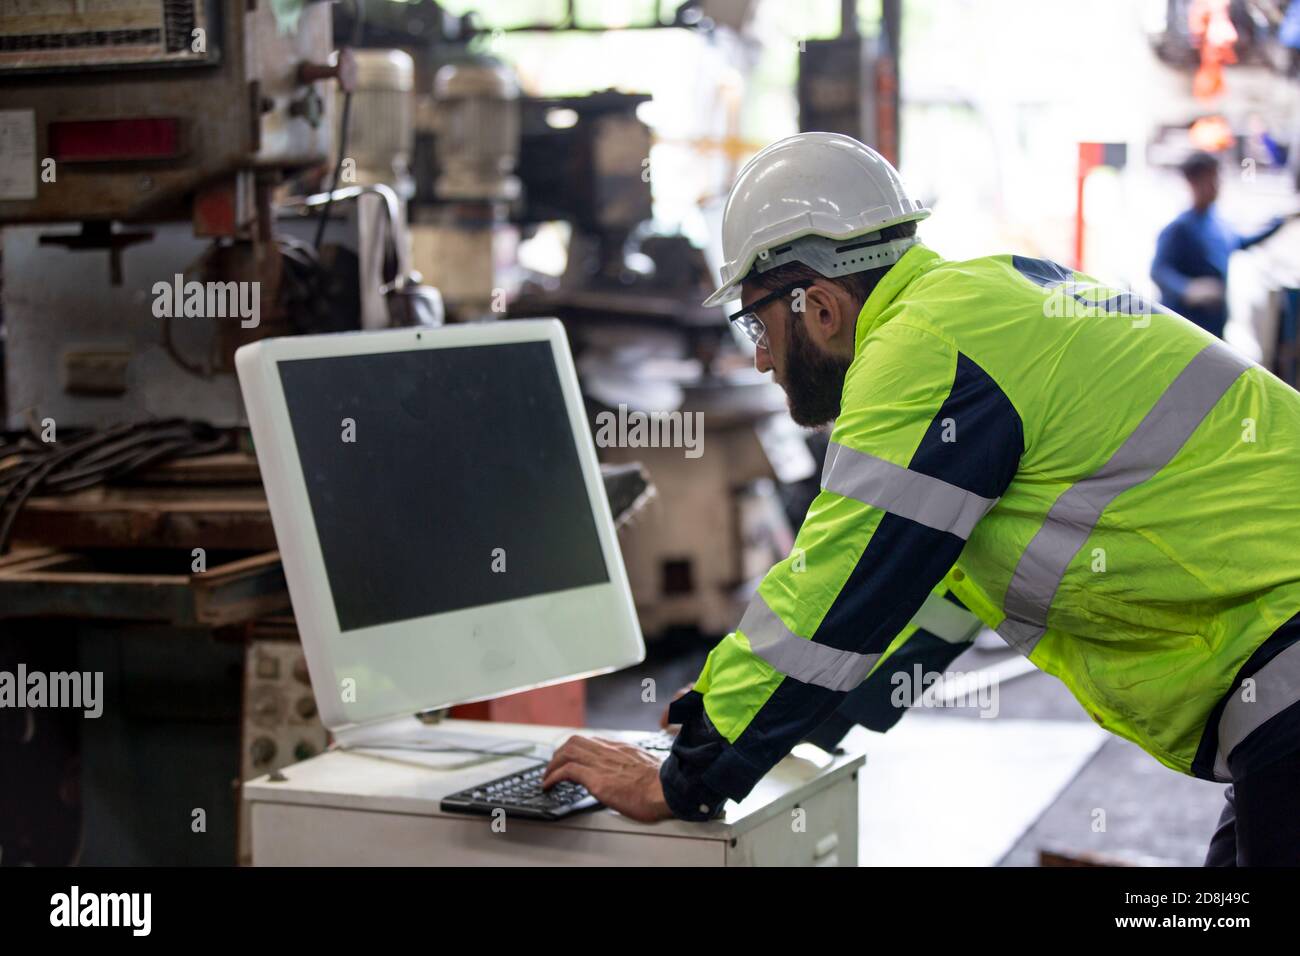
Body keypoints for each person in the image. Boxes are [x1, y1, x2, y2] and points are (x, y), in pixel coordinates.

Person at [543, 132, 1300, 865]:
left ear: (820, 307)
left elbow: (836, 588)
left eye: (757, 321)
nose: (762, 356)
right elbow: (917, 594)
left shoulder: (922, 348)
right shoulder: (981, 300)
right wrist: (747, 715)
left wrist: (687, 776)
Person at [1150, 150, 1290, 339]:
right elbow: (1159, 270)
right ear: (1192, 182)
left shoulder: (1218, 224)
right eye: (1209, 180)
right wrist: (1188, 288)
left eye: (1217, 179)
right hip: (1185, 330)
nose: (1216, 186)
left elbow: (1241, 241)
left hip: (1214, 327)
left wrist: (1282, 221)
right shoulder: (1180, 228)